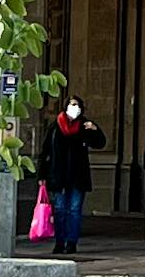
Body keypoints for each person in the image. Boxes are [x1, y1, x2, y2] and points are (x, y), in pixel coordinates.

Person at [34, 97, 99, 261]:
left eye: (77, 105)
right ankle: (59, 241)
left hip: (78, 176)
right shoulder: (55, 126)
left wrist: (95, 129)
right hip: (59, 176)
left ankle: (71, 242)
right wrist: (42, 174)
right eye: (72, 105)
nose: (74, 108)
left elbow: (100, 143)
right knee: (60, 210)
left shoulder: (84, 126)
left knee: (74, 211)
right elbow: (45, 151)